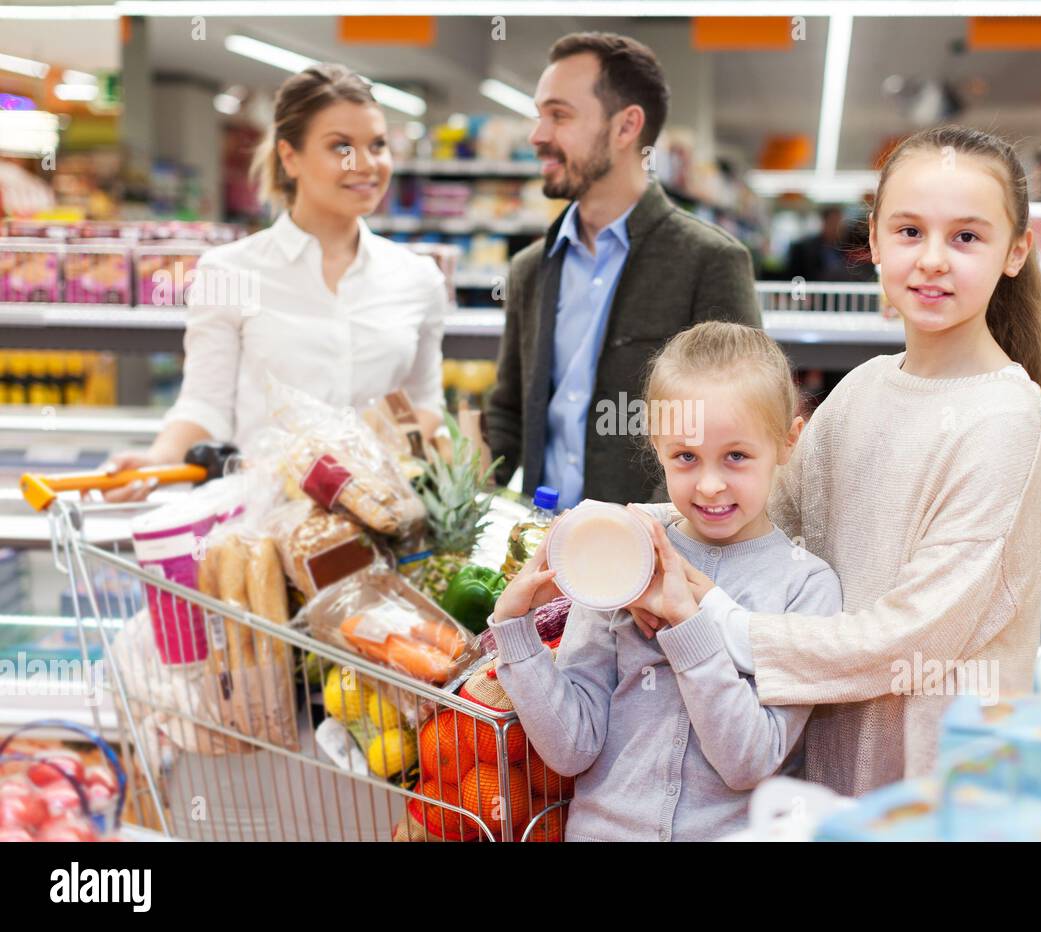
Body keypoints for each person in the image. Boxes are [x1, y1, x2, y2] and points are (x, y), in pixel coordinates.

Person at [628, 125, 1041, 797]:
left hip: (937, 791)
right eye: (909, 231)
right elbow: (757, 516)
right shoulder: (862, 388)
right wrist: (632, 533)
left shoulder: (1005, 420)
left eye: (966, 237)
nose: (931, 260)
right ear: (874, 241)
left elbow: (910, 637)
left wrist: (722, 621)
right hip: (833, 778)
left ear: (1016, 251)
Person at [486, 322, 841, 841]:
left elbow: (749, 761)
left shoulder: (807, 587)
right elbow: (573, 748)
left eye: (737, 456)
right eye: (686, 457)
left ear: (788, 441)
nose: (711, 484)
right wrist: (514, 629)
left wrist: (686, 623)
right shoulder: (620, 557)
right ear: (657, 445)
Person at [102, 64, 447, 500]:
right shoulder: (229, 271)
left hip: (378, 531)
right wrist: (159, 459)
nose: (366, 164)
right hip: (259, 527)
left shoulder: (418, 279)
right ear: (290, 156)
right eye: (341, 146)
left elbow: (424, 404)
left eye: (377, 144)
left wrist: (372, 466)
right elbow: (206, 403)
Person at [486, 32, 761, 512]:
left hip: (655, 558)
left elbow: (736, 426)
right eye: (539, 116)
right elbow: (510, 413)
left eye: (559, 115)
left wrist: (649, 536)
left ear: (626, 126)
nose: (538, 136)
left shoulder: (709, 260)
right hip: (541, 547)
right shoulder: (530, 270)